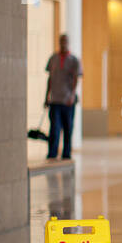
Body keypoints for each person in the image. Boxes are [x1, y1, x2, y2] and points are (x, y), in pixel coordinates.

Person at [45, 33, 82, 161]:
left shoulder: (74, 60)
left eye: (65, 40)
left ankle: (66, 154)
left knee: (68, 128)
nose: (63, 43)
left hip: (68, 101)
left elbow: (76, 79)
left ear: (68, 42)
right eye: (61, 40)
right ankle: (52, 153)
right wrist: (47, 97)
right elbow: (50, 78)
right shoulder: (53, 58)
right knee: (54, 128)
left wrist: (72, 95)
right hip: (55, 100)